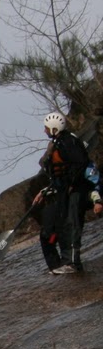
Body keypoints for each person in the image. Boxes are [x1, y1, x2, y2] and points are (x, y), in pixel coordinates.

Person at [33, 110, 100, 275]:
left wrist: (97, 199)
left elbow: (81, 167)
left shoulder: (69, 142)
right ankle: (57, 266)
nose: (44, 131)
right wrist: (45, 190)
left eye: (46, 128)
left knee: (71, 226)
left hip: (76, 192)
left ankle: (72, 263)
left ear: (54, 128)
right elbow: (61, 174)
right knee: (48, 231)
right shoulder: (58, 144)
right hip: (61, 192)